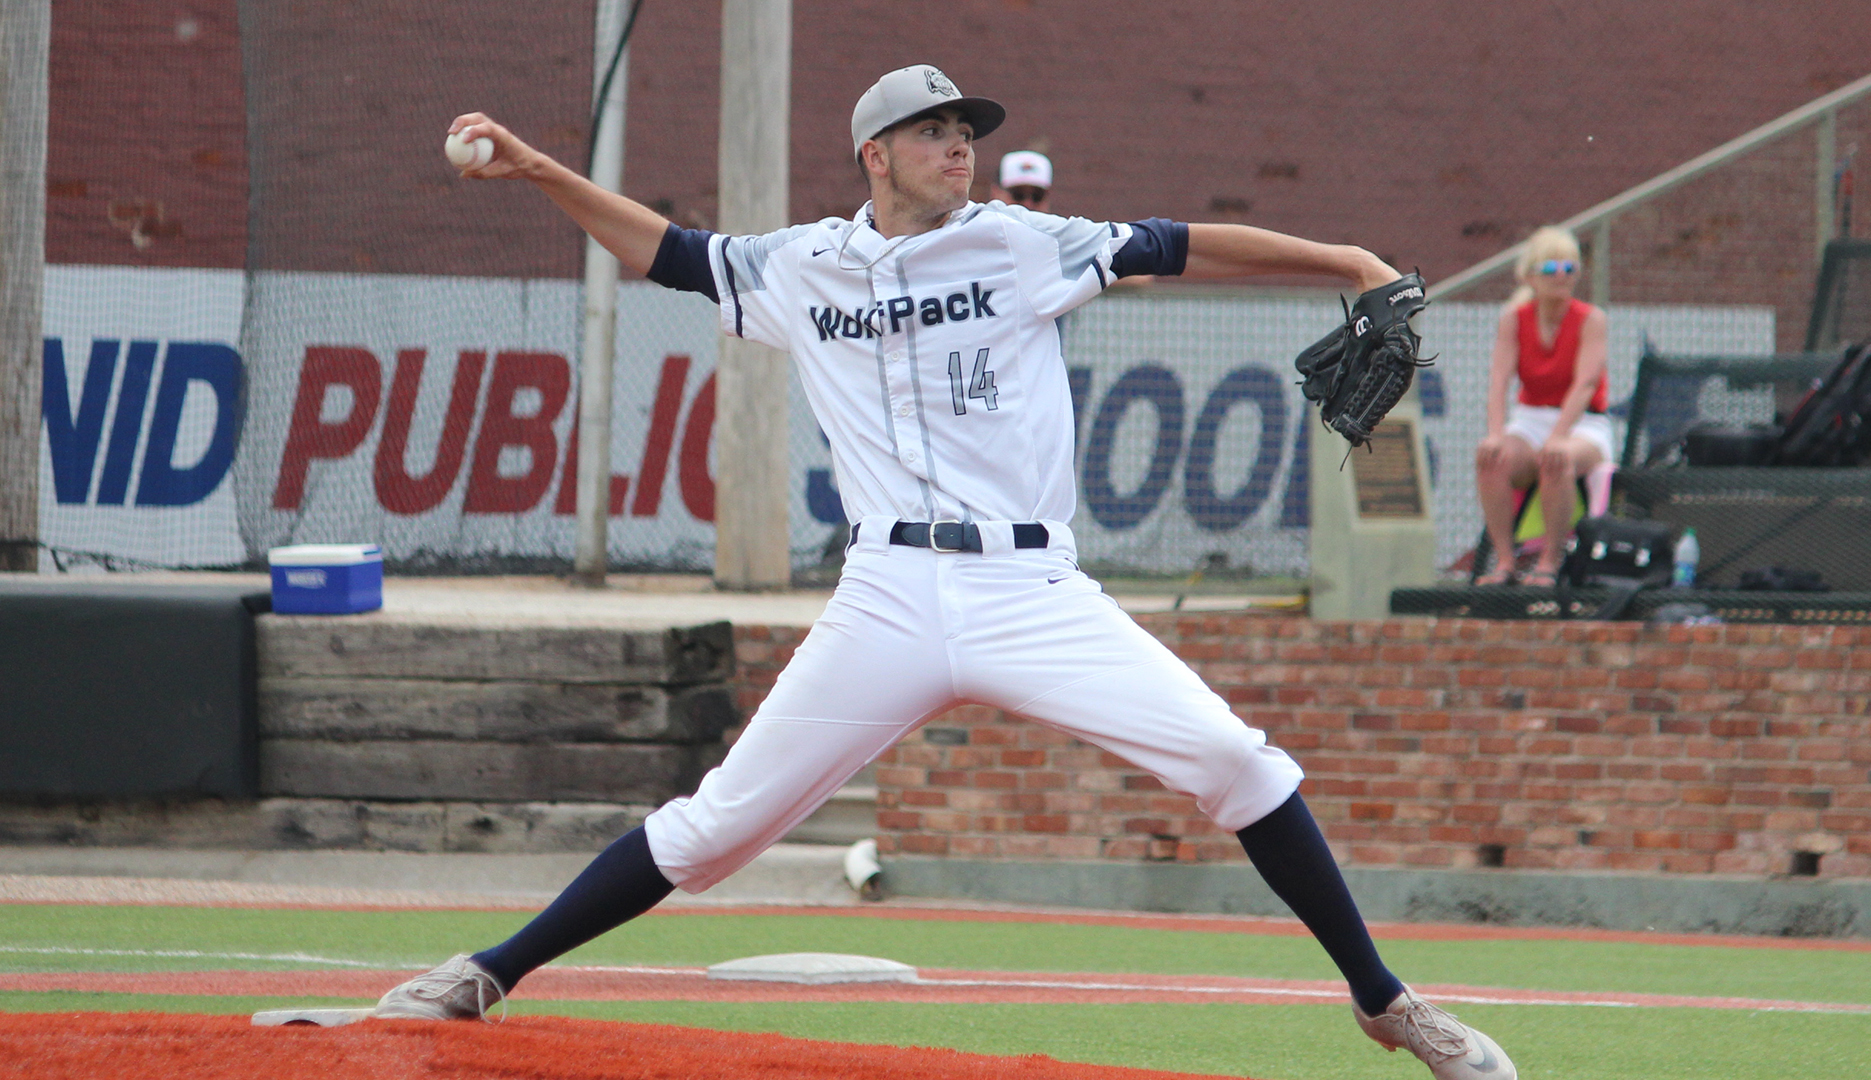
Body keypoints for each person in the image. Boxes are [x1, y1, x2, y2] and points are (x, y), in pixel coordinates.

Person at [378, 65, 1517, 1080]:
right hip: (887, 594)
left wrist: (1348, 258)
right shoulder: (804, 266)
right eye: (932, 132)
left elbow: (1182, 242)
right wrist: (536, 169)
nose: (958, 146)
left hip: (1032, 591)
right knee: (714, 833)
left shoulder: (1023, 242)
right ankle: (489, 970)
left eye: (965, 130)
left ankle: (1386, 1003)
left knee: (1233, 757)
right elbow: (667, 254)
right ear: (876, 154)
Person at [1474, 225, 1611, 586]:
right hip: (1530, 418)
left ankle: (1549, 562)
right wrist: (1495, 434)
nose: (1562, 277)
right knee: (1491, 459)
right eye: (1551, 269)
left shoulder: (1590, 319)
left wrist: (1559, 435)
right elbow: (1499, 380)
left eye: (1571, 268)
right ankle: (1505, 562)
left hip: (1584, 424)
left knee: (1557, 458)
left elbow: (1586, 385)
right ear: (1530, 276)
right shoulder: (1514, 319)